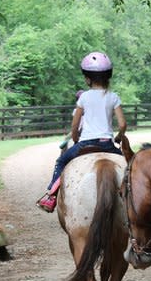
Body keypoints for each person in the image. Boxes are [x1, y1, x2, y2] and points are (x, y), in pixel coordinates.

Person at [37, 52, 127, 213]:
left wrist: (76, 138)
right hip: (107, 144)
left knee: (62, 161)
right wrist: (119, 136)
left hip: (86, 143)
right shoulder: (113, 97)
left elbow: (75, 124)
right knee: (129, 168)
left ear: (87, 78)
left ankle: (50, 196)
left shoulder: (84, 97)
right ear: (108, 77)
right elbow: (122, 124)